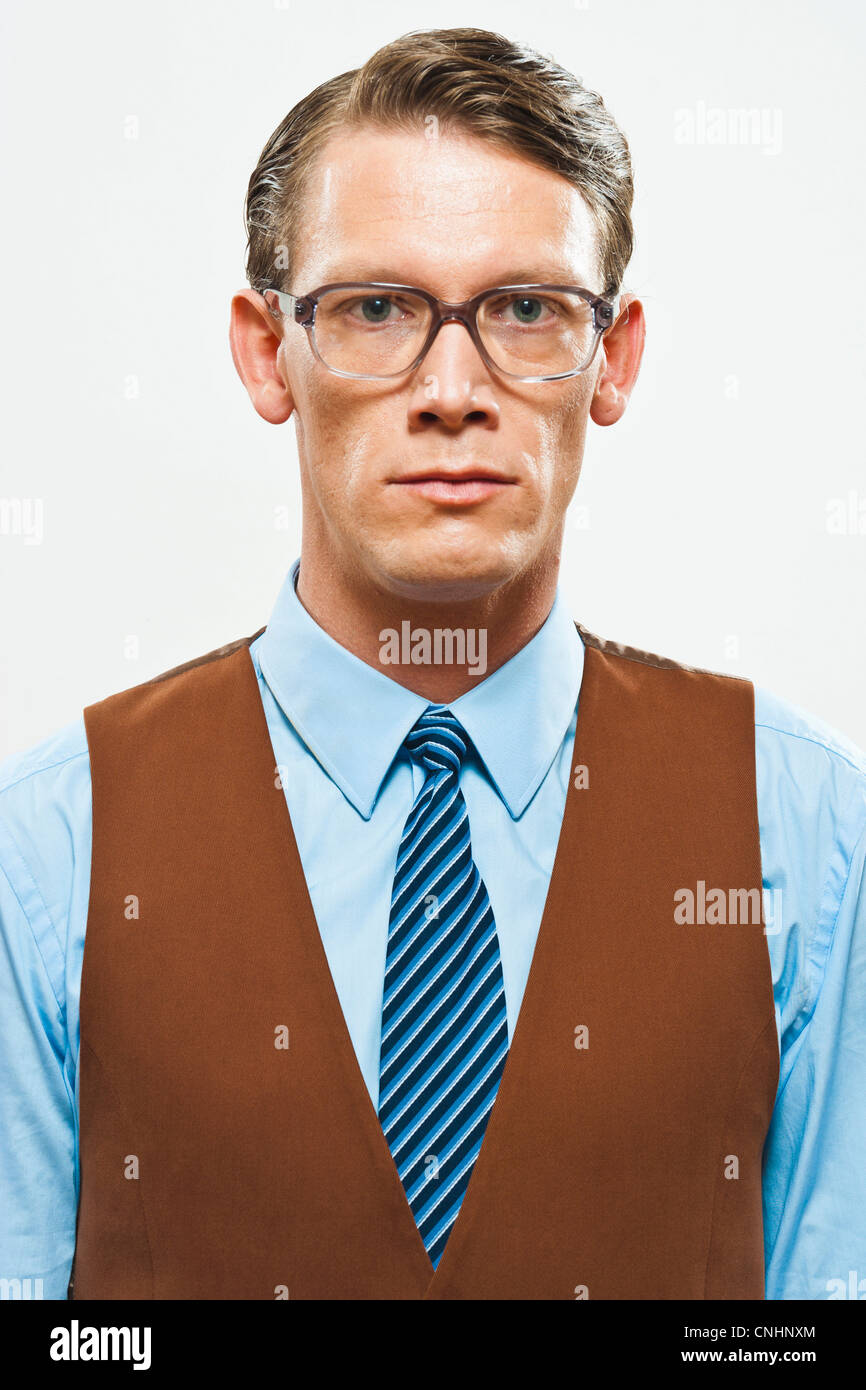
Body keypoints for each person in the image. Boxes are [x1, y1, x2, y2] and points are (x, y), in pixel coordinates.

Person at [1, 26, 864, 1302]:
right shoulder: (53, 843)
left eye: (524, 308)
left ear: (610, 359)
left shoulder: (798, 824)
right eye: (375, 309)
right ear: (264, 351)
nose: (450, 388)